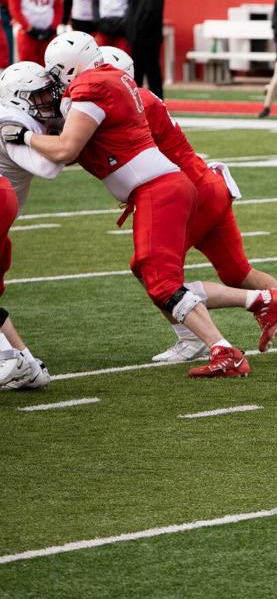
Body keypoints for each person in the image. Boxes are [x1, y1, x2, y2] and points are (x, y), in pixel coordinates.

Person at [13, 32, 250, 378]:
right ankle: (218, 341)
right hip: (160, 187)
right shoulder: (113, 78)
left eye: (56, 72)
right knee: (148, 271)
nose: (55, 82)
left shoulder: (90, 87)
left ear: (70, 67)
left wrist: (24, 137)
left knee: (162, 281)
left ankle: (235, 333)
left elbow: (65, 151)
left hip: (158, 189)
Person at [101, 46, 277, 362]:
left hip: (188, 194)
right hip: (208, 185)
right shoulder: (141, 97)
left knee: (152, 271)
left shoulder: (132, 105)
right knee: (237, 271)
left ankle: (195, 336)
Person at [0, 62, 64, 390]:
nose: (47, 101)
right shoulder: (11, 120)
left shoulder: (19, 117)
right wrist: (68, 139)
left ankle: (8, 359)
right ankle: (26, 363)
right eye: (38, 95)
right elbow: (48, 167)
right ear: (17, 97)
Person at [125, 0, 165, 98]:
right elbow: (130, 14)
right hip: (136, 40)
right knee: (137, 74)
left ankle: (158, 100)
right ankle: (136, 101)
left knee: (152, 73)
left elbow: (151, 16)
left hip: (149, 41)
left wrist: (139, 31)